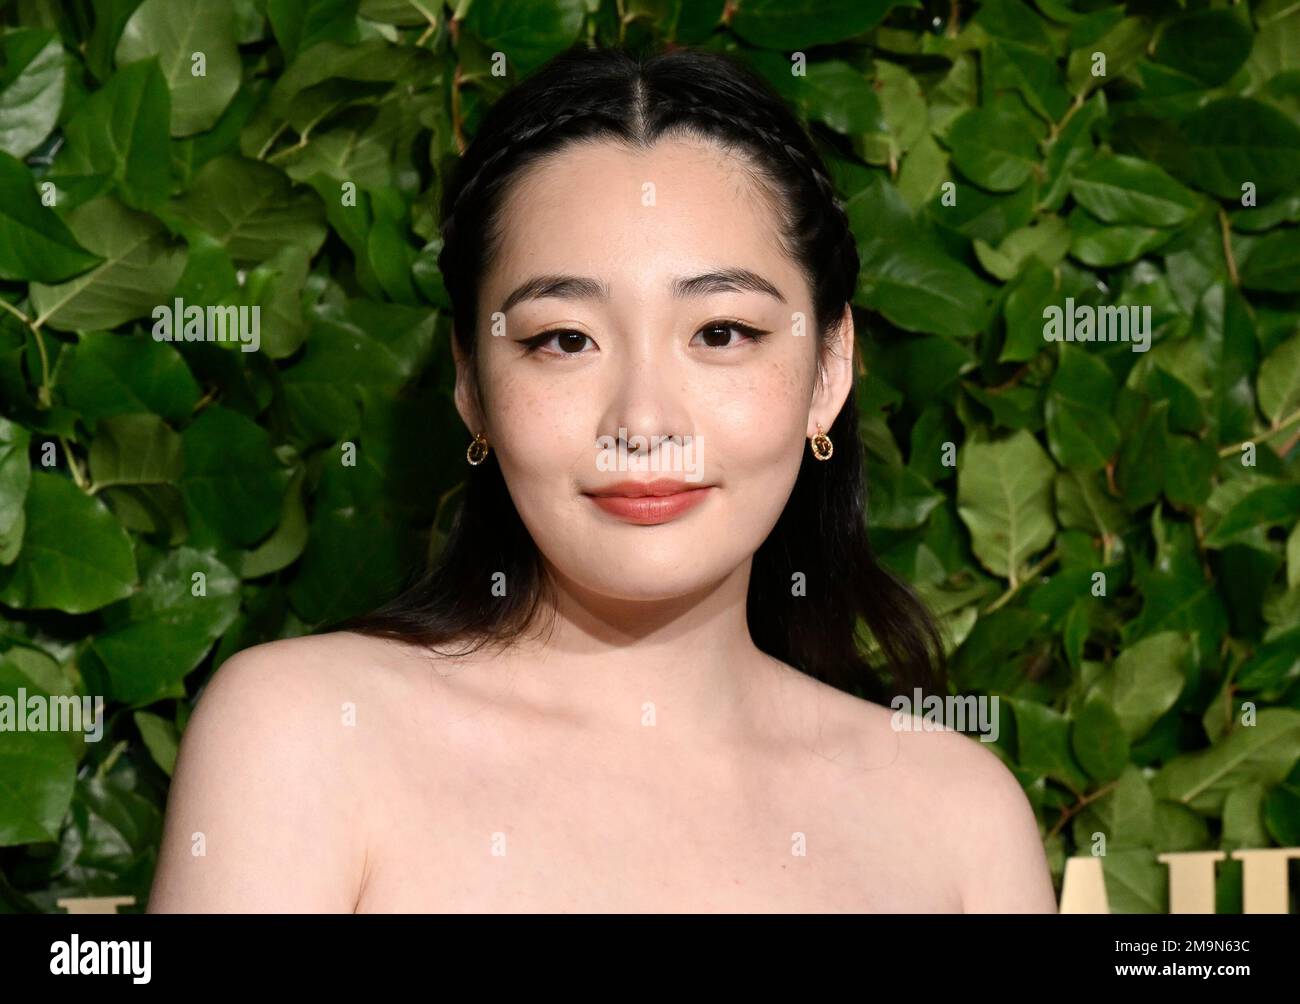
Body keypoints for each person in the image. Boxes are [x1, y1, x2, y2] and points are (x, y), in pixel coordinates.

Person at [147, 44, 1057, 914]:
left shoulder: (958, 818)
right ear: (471, 383)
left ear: (827, 371)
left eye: (721, 334)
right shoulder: (307, 736)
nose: (644, 423)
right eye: (564, 340)